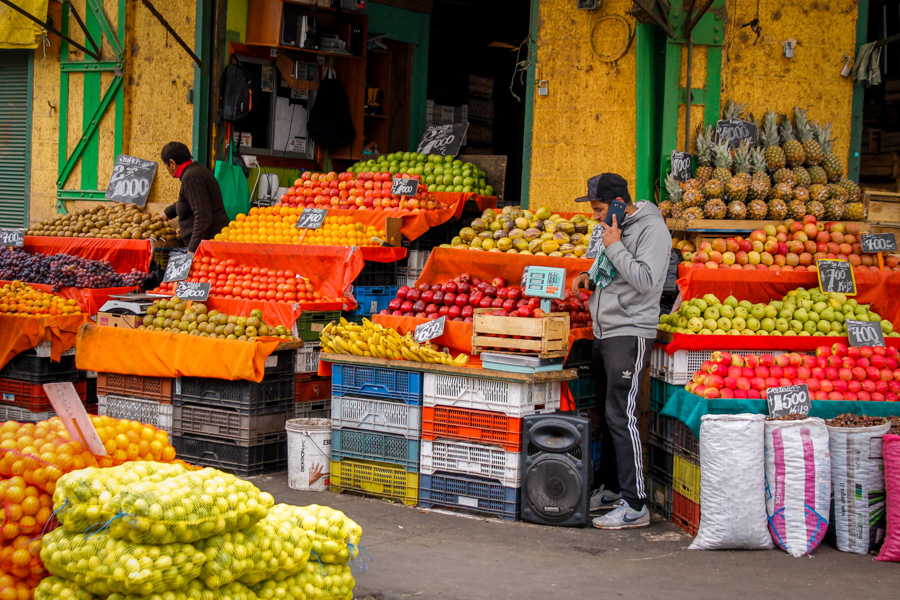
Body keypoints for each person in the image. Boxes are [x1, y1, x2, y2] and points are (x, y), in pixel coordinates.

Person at [571, 173, 670, 530]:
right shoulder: (608, 228)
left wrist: (615, 245)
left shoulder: (652, 230)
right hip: (605, 329)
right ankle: (612, 490)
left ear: (617, 202)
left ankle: (635, 504)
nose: (595, 216)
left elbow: (644, 279)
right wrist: (588, 275)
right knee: (608, 413)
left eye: (598, 208)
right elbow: (605, 268)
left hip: (629, 331)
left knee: (622, 415)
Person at [161, 142, 229, 252]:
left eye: (166, 166)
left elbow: (203, 217)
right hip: (212, 243)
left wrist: (192, 250)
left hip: (209, 247)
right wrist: (167, 213)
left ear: (172, 163)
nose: (167, 170)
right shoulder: (197, 170)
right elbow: (190, 200)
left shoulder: (191, 177)